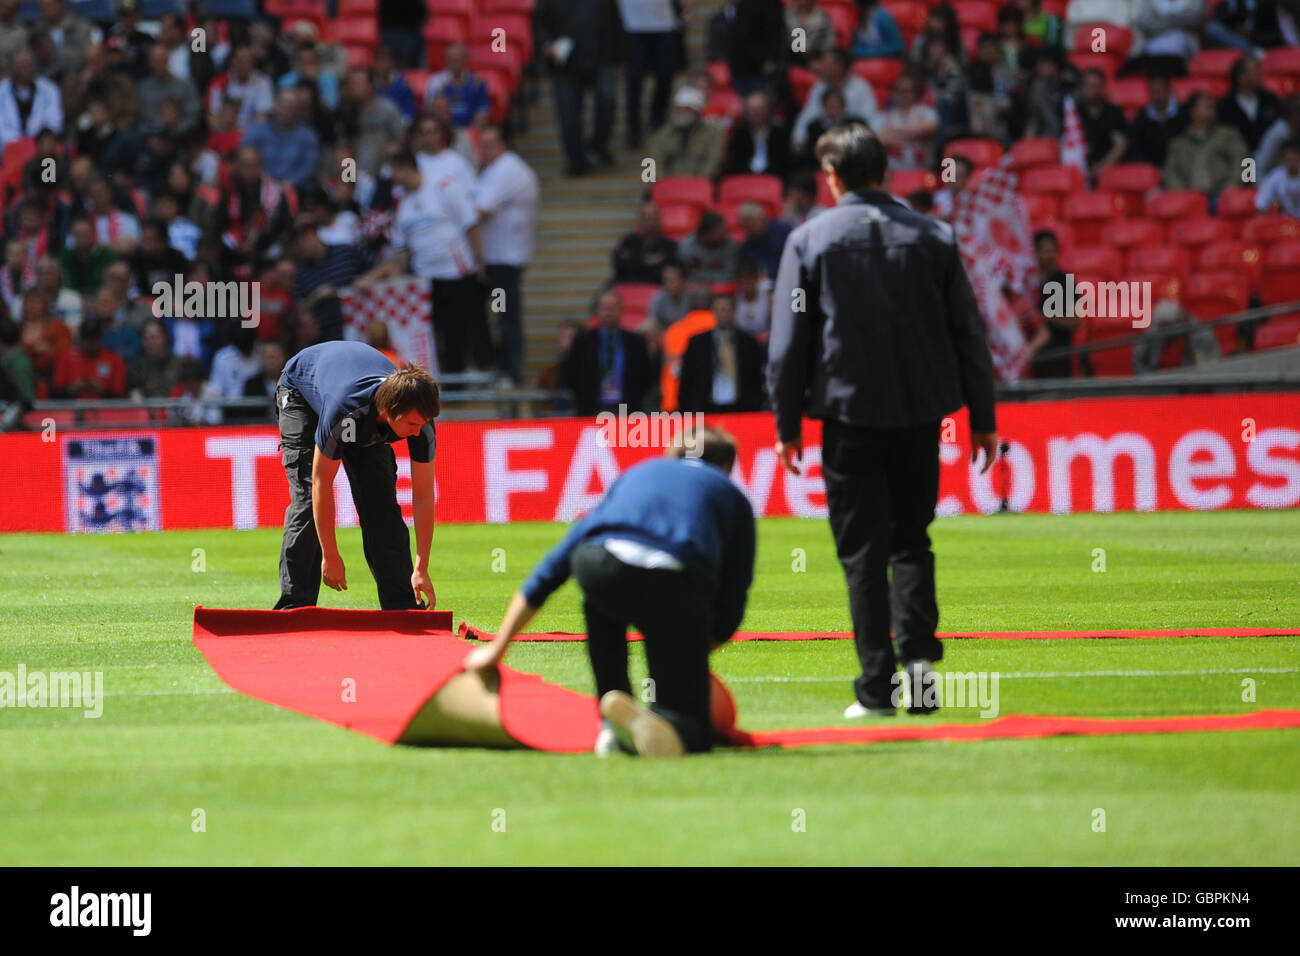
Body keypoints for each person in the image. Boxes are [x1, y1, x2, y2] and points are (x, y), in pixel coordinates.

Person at [768, 121, 998, 717]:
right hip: (920, 417)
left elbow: (788, 344)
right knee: (911, 542)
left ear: (833, 177)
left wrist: (786, 422)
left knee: (862, 555)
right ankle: (920, 682)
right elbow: (969, 332)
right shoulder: (934, 237)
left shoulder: (809, 241)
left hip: (848, 418)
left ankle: (876, 689)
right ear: (884, 173)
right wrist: (982, 416)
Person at [463, 426, 756, 758]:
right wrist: (689, 658)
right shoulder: (732, 497)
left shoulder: (639, 472)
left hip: (603, 565)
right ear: (726, 469)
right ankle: (672, 725)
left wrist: (497, 650)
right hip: (674, 582)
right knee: (694, 735)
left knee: (599, 602)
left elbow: (552, 569)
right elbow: (732, 600)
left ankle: (611, 719)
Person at [274, 341, 440, 611]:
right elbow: (321, 483)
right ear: (388, 412)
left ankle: (402, 606)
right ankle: (295, 606)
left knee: (382, 506)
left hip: (356, 398)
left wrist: (421, 568)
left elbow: (422, 495)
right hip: (301, 391)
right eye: (411, 424)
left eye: (422, 423)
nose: (418, 432)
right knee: (306, 502)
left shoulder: (419, 416)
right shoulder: (346, 411)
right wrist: (330, 555)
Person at [474, 125, 540, 385]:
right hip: (497, 256)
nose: (485, 150)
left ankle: (512, 371)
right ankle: (497, 364)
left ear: (503, 144)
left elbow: (480, 210)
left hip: (507, 259)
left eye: (490, 144)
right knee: (496, 314)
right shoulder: (493, 169)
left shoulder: (507, 169)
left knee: (508, 316)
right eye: (483, 144)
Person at [560, 288, 652, 415]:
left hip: (628, 410)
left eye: (612, 307)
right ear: (598, 311)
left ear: (621, 310)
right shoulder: (582, 342)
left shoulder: (636, 342)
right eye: (605, 307)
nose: (609, 311)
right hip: (592, 410)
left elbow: (646, 376)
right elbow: (571, 375)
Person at [677, 292, 765, 413]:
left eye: (726, 309)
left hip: (741, 410)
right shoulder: (697, 343)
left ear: (734, 312)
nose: (723, 313)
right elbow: (687, 379)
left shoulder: (749, 343)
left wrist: (755, 405)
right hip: (706, 408)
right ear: (713, 312)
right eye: (719, 309)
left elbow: (756, 380)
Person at [1256, 137, 1300, 217]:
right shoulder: (1276, 176)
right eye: (1288, 160)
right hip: (1287, 224)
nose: (1292, 163)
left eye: (1295, 159)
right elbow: (1261, 205)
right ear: (1282, 160)